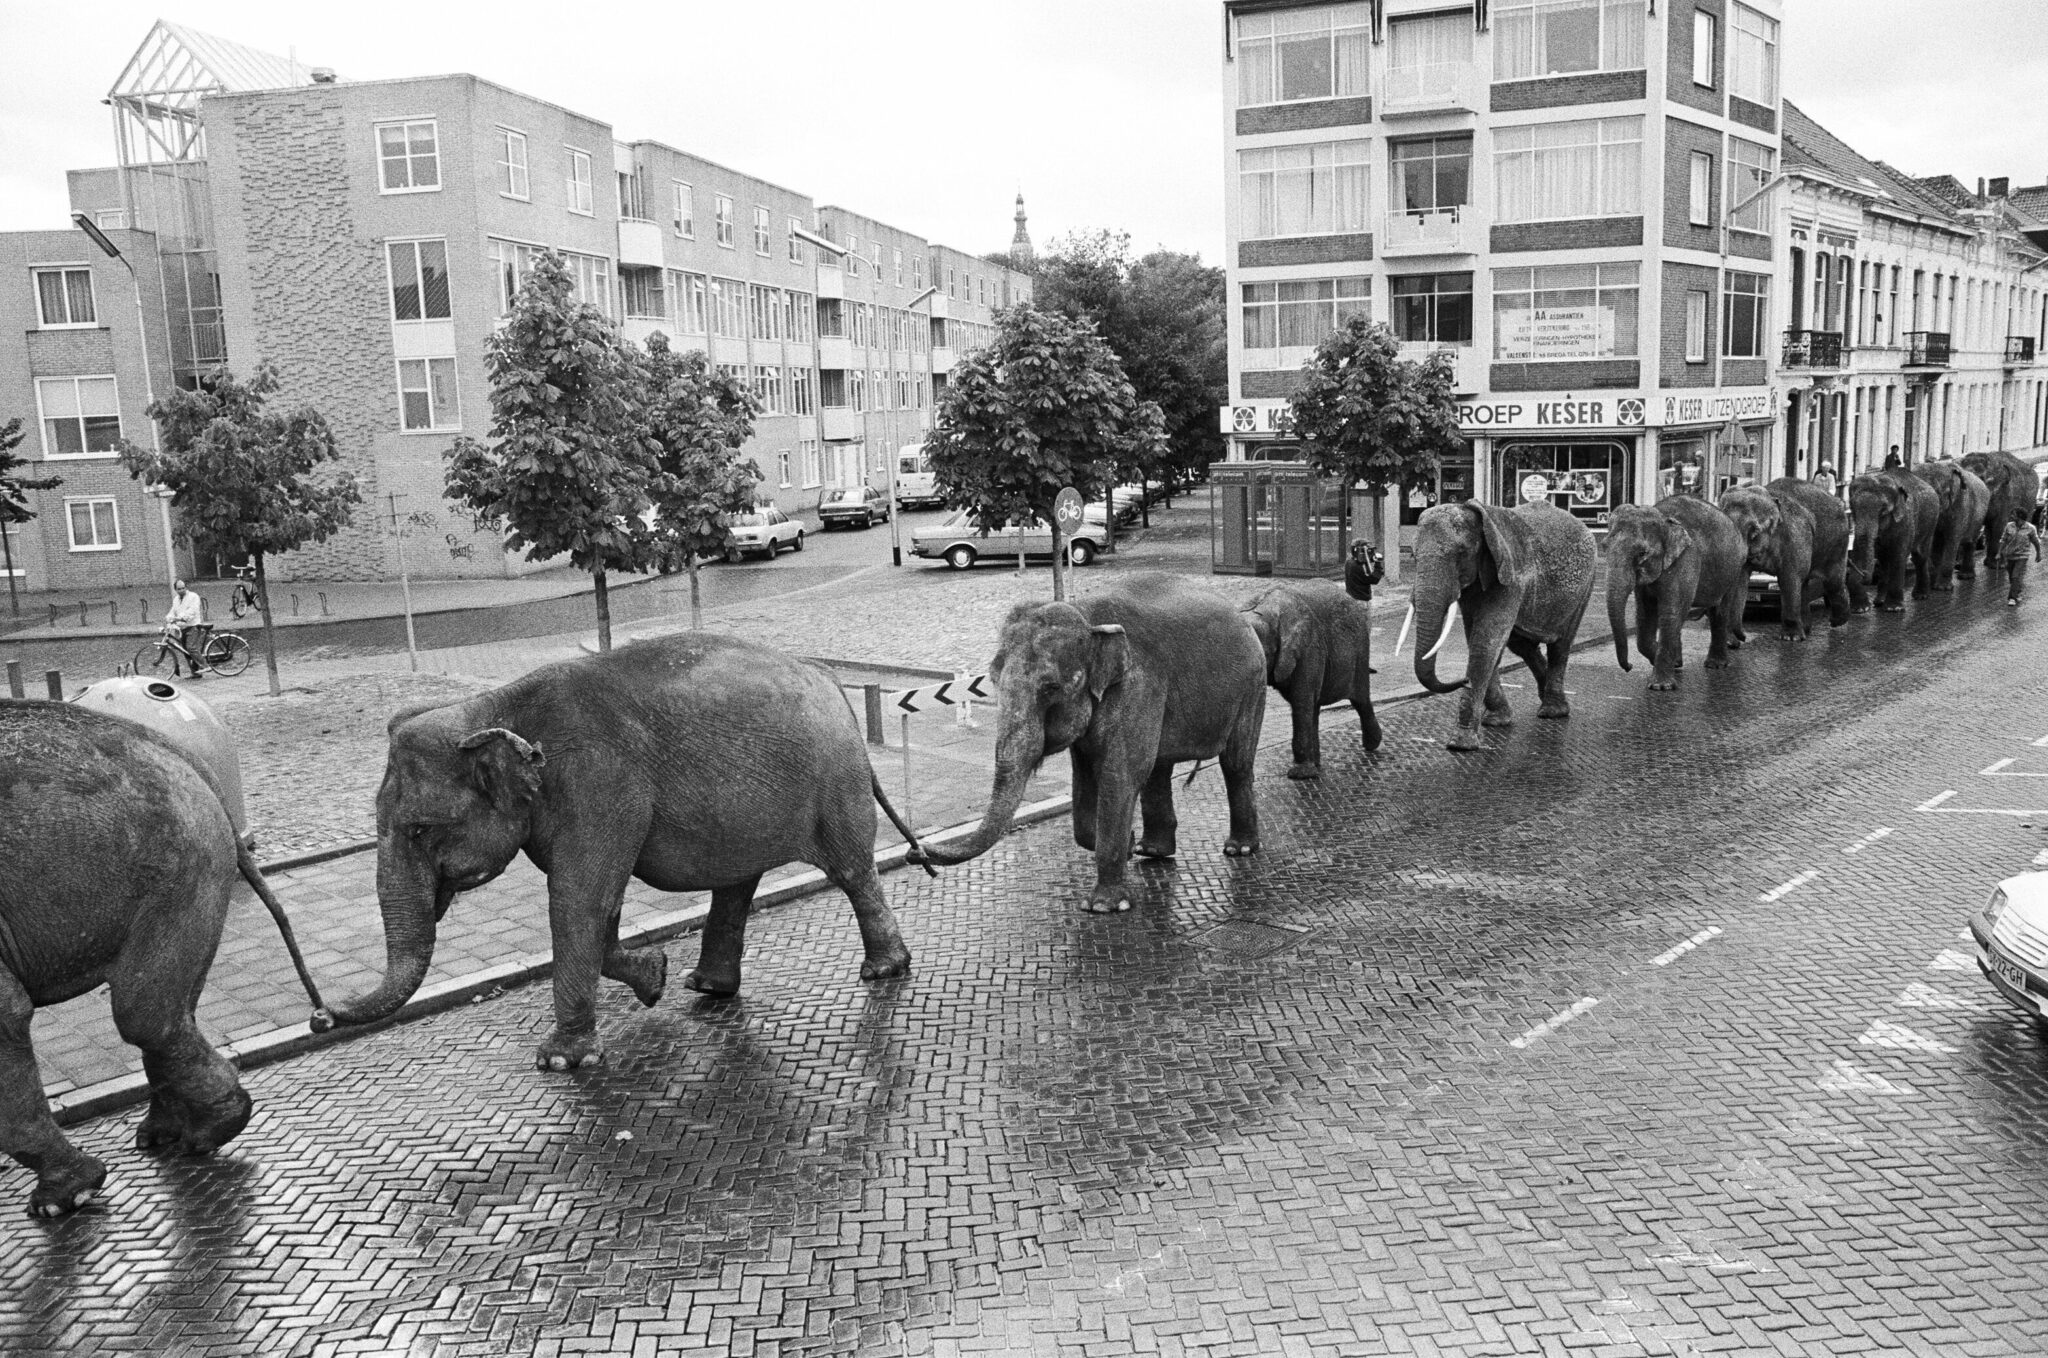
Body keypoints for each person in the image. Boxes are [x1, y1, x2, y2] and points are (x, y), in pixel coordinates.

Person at [164, 579, 206, 678]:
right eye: (179, 589)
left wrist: (181, 617)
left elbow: (193, 610)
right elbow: (173, 611)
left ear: (186, 587)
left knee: (191, 647)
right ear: (175, 590)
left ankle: (205, 665)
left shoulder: (193, 596)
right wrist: (168, 617)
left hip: (193, 626)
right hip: (182, 628)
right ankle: (195, 673)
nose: (181, 590)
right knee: (185, 651)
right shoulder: (176, 600)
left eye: (183, 588)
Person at [2001, 508, 2041, 606]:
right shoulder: (2009, 526)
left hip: (2022, 556)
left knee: (2015, 575)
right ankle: (2017, 591)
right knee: (2011, 577)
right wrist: (1999, 553)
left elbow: (2036, 542)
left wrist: (2038, 553)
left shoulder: (2030, 528)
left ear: (2020, 516)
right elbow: (2003, 539)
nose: (2011, 516)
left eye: (2013, 515)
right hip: (2010, 555)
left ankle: (2012, 598)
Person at [1345, 538, 1385, 604]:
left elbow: (1364, 561)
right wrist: (1378, 564)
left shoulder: (1349, 561)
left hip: (1351, 596)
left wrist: (1370, 558)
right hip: (1361, 599)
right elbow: (1374, 579)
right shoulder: (1360, 566)